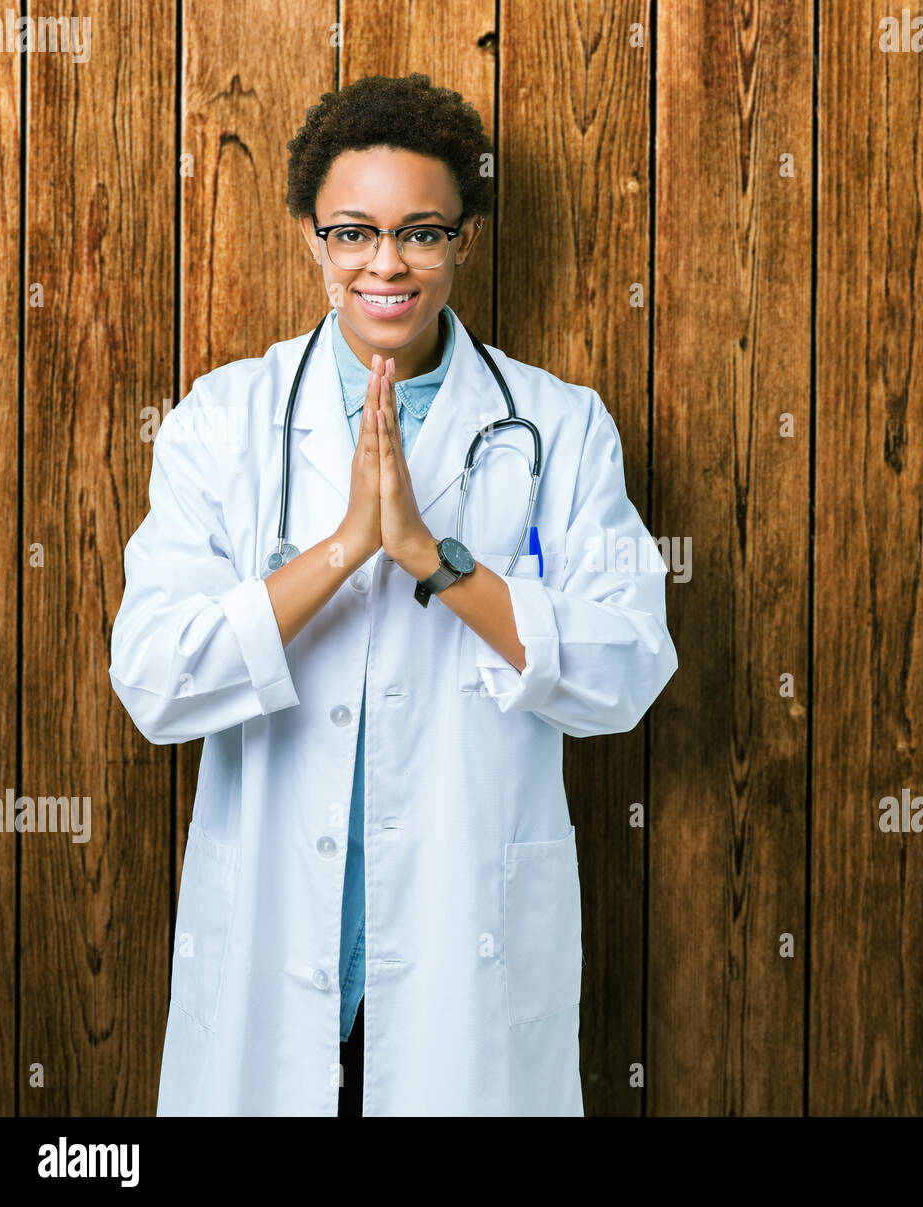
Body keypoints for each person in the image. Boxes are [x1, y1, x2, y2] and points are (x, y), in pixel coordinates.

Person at [109, 73, 678, 1116]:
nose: (386, 262)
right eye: (353, 231)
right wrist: (343, 549)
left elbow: (625, 667)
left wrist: (432, 558)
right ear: (311, 239)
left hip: (472, 944)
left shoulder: (557, 426)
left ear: (463, 238)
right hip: (279, 952)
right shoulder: (221, 421)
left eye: (422, 231)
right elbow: (155, 679)